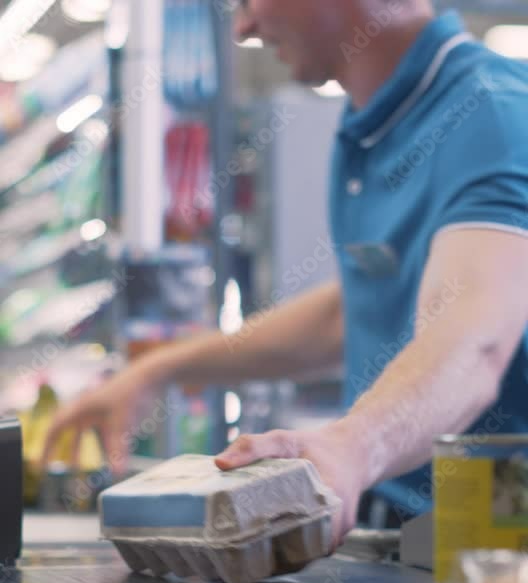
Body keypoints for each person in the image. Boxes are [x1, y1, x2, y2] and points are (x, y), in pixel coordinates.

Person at [43, 0, 528, 546]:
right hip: (411, 537)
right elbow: (357, 311)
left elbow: (473, 339)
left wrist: (352, 449)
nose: (245, 27)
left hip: (498, 546)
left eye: (249, 1)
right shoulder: (371, 123)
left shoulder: (497, 114)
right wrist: (156, 370)